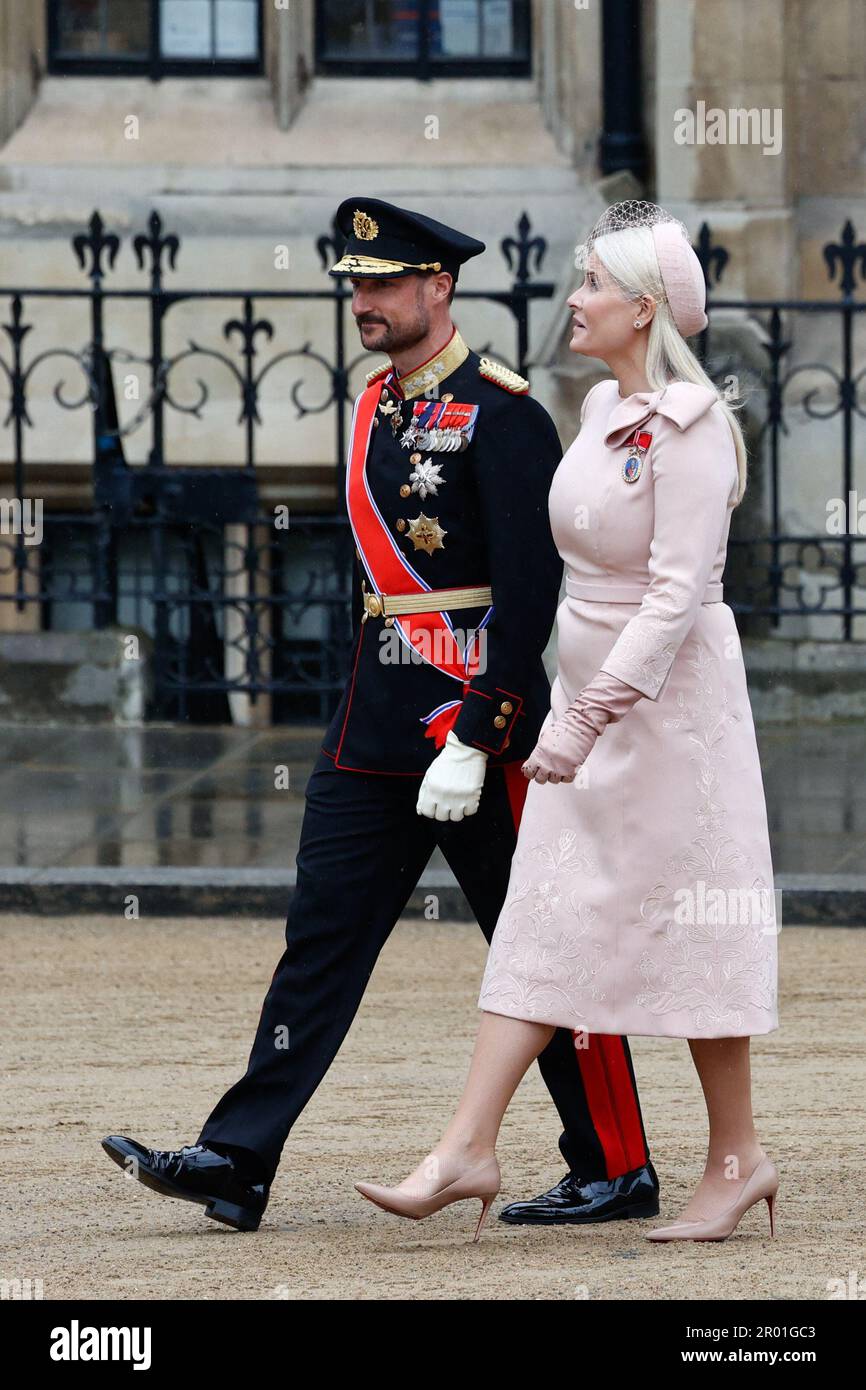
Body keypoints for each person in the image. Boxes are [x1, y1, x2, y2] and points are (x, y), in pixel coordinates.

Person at [101, 198, 657, 1233]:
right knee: (318, 942)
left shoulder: (504, 414)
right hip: (371, 724)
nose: (361, 301)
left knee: (541, 945)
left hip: (477, 729)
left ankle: (615, 1164)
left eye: (381, 283)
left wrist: (480, 730)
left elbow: (528, 595)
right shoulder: (374, 405)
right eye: (354, 283)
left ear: (436, 289)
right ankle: (237, 1156)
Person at [354, 201, 780, 1244]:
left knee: (692, 930)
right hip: (584, 707)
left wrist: (580, 718)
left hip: (664, 716)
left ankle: (736, 1160)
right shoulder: (597, 413)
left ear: (641, 309)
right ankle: (467, 1144)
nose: (573, 299)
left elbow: (675, 599)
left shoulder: (691, 430)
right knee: (543, 914)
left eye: (591, 284)